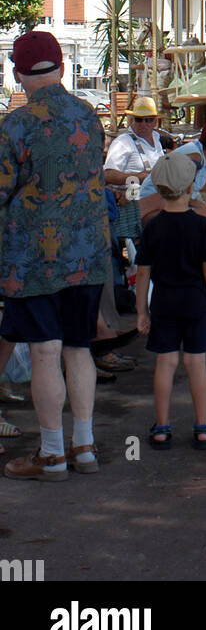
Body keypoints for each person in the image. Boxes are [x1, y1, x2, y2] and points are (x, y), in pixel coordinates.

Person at [0, 31, 109, 480]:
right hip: (88, 253)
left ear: (18, 74)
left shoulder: (15, 125)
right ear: (62, 67)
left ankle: (50, 455)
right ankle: (84, 448)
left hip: (33, 259)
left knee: (45, 353)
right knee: (79, 349)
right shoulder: (90, 115)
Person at [135, 152, 206, 450]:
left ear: (158, 188)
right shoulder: (200, 225)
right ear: (189, 187)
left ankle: (161, 427)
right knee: (196, 362)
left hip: (163, 302)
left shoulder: (152, 227)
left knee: (166, 361)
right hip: (196, 302)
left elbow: (143, 273)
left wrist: (141, 311)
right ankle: (202, 427)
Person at [136, 120, 206, 285]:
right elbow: (174, 189)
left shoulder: (196, 152)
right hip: (154, 204)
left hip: (164, 200)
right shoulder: (195, 157)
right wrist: (197, 204)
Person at [103, 96, 164, 197]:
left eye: (148, 120)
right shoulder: (123, 142)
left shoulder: (156, 137)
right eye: (139, 119)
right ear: (132, 120)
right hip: (131, 199)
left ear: (155, 122)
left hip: (155, 196)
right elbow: (108, 175)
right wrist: (138, 177)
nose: (143, 124)